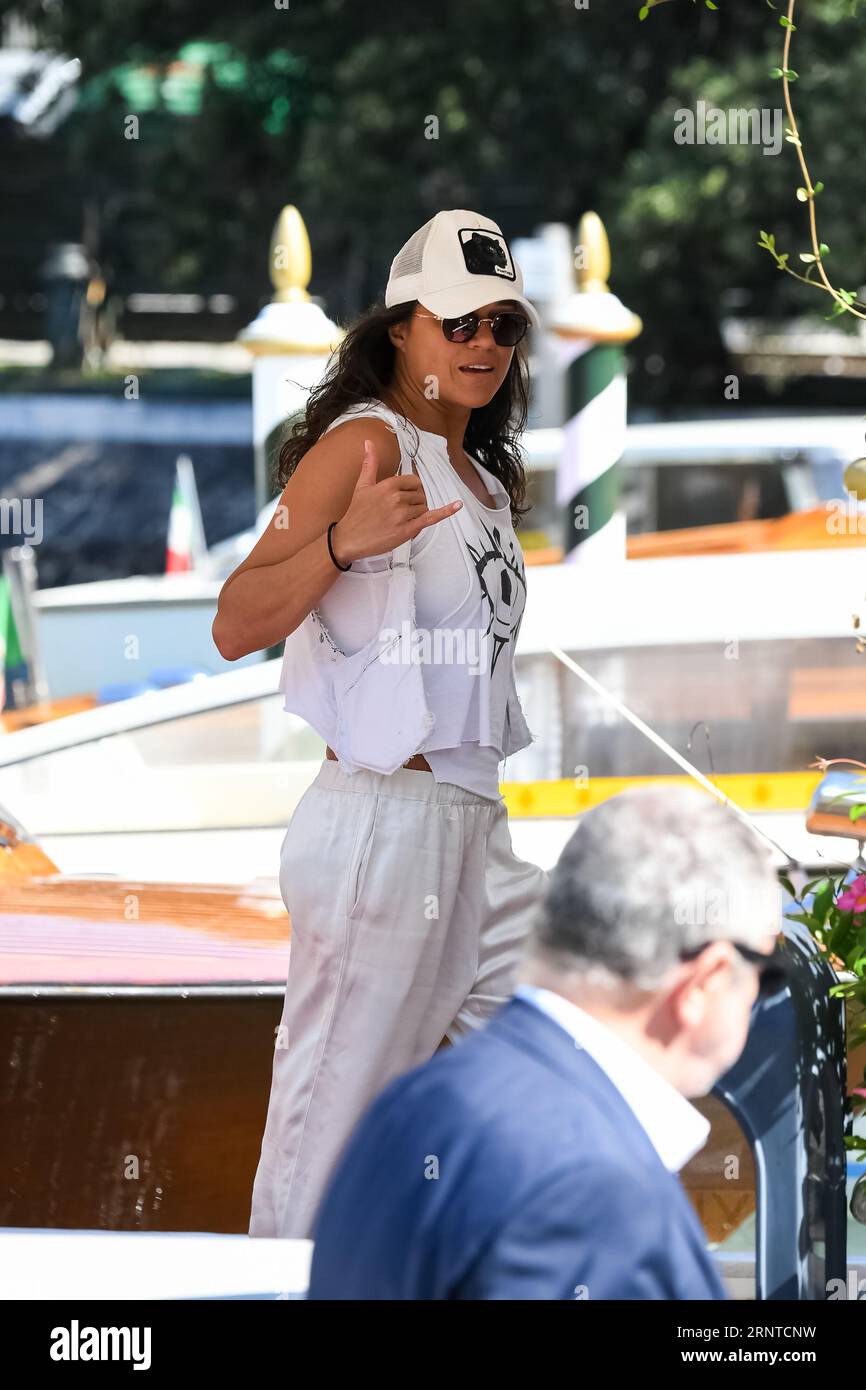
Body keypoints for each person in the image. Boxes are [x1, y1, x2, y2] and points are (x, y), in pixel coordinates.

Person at [213, 209, 550, 1239]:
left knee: (565, 1034)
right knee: (327, 1139)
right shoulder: (366, 440)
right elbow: (234, 621)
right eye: (458, 323)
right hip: (379, 825)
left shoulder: (481, 480)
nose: (483, 345)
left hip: (469, 825)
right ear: (401, 329)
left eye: (501, 325)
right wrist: (338, 545)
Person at [306, 784, 787, 1299]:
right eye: (769, 970)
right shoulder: (599, 1191)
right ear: (706, 980)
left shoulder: (413, 1100)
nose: (761, 993)